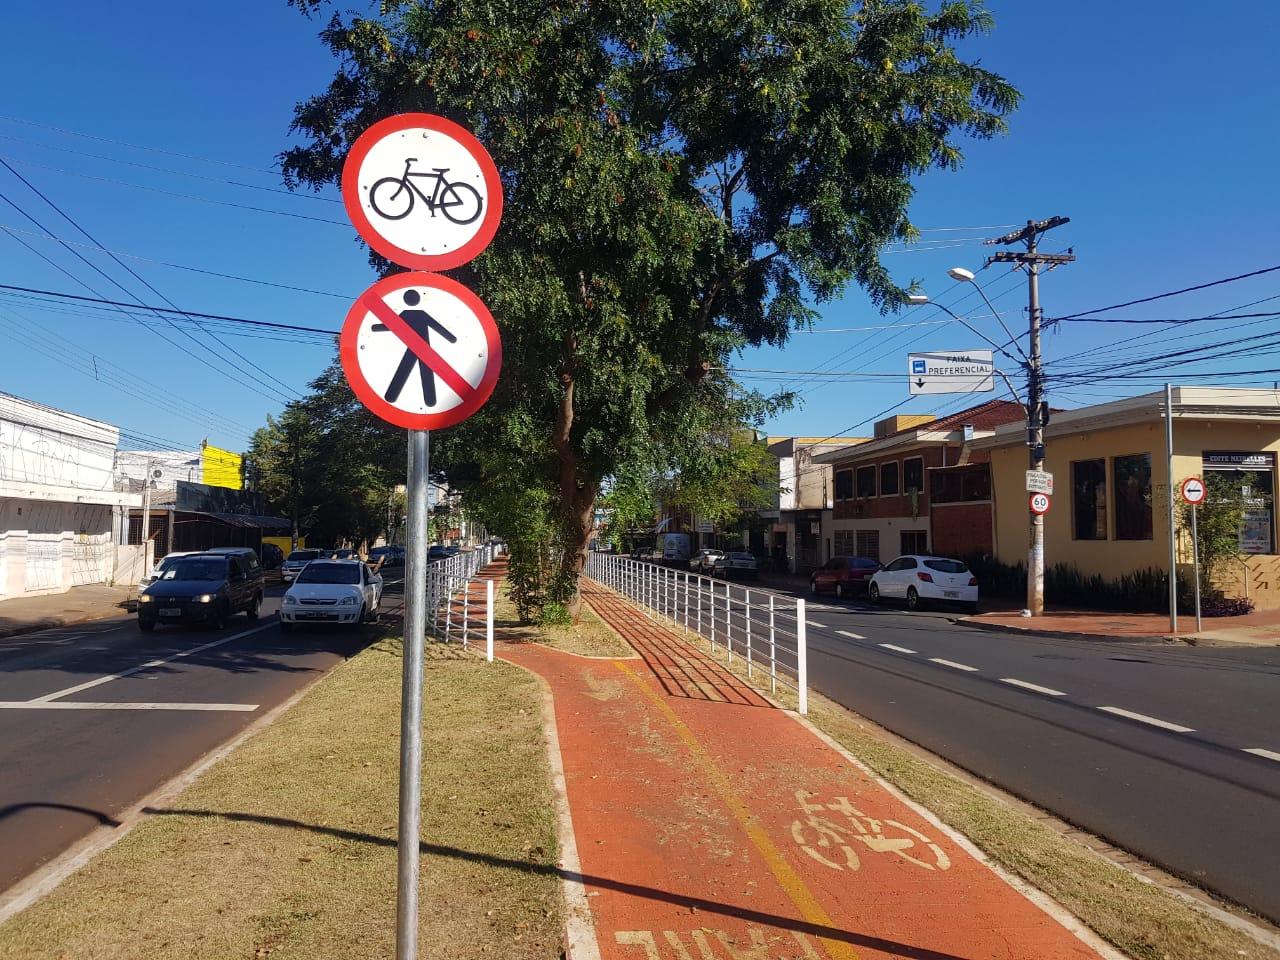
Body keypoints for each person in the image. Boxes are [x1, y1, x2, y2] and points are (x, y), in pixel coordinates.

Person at [373, 289, 458, 404]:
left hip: (415, 348)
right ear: (417, 299)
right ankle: (430, 400)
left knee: (404, 369)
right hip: (423, 349)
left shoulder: (406, 314)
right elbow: (437, 327)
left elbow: (390, 325)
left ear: (406, 300)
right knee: (425, 371)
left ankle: (391, 396)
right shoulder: (421, 314)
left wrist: (375, 327)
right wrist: (451, 338)